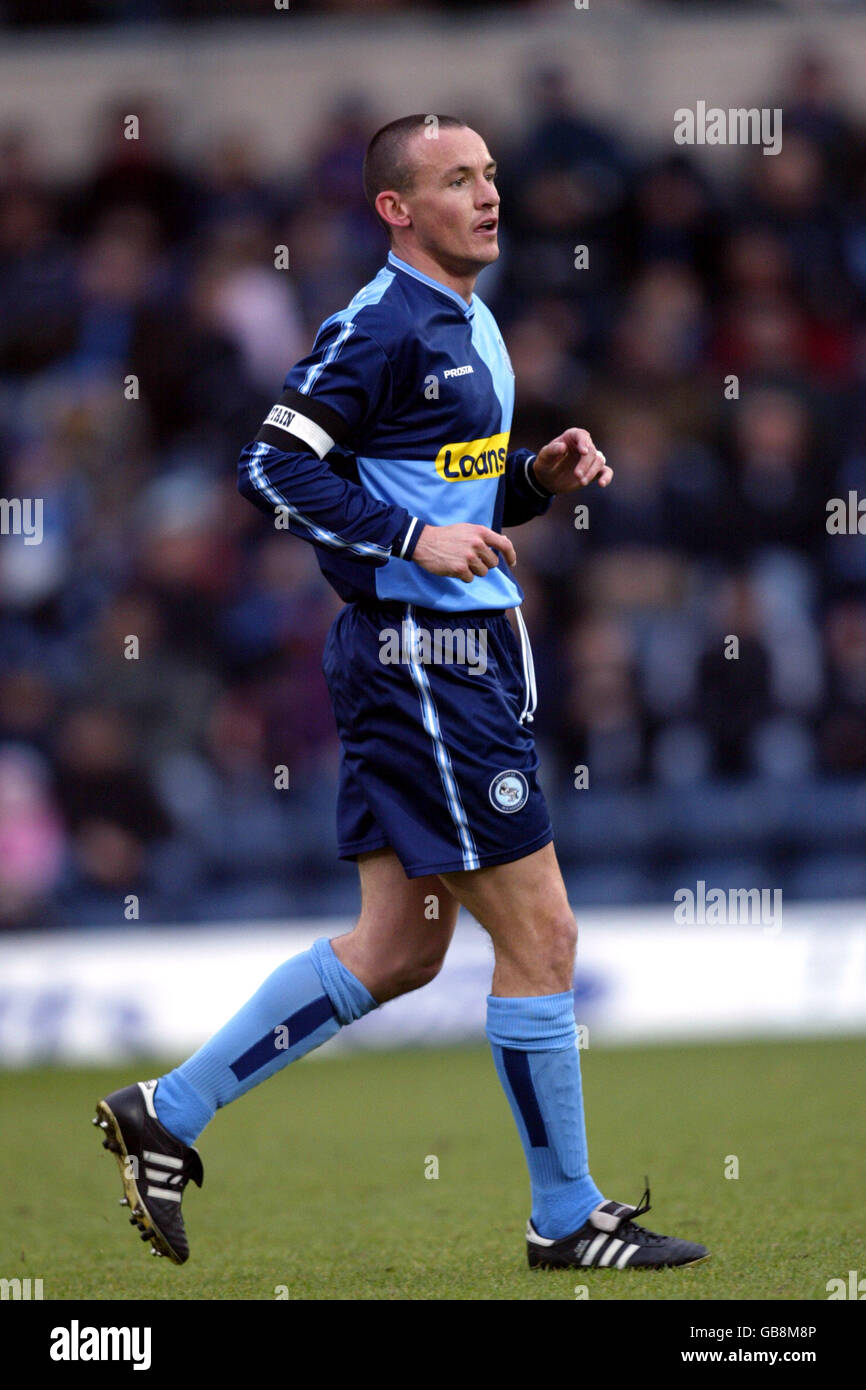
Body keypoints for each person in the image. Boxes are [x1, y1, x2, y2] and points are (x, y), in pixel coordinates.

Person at [94, 114, 708, 1275]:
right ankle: (564, 1215)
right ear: (394, 208)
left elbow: (440, 498)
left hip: (444, 660)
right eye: (454, 181)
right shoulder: (377, 323)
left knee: (400, 947)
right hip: (426, 666)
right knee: (545, 934)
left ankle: (165, 1112)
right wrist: (411, 538)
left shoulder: (467, 316)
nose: (486, 196)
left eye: (487, 173)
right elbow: (273, 465)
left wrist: (530, 478)